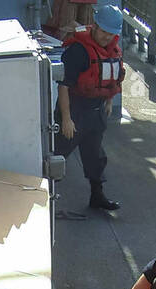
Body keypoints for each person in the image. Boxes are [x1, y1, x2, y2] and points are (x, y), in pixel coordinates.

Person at [57, 4, 125, 211]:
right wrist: (66, 119)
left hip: (96, 113)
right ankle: (39, 194)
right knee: (56, 155)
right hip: (76, 111)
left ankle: (97, 196)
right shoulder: (78, 51)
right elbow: (64, 87)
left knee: (95, 156)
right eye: (103, 31)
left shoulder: (112, 50)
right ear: (94, 26)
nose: (106, 37)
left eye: (111, 33)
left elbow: (112, 78)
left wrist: (108, 101)